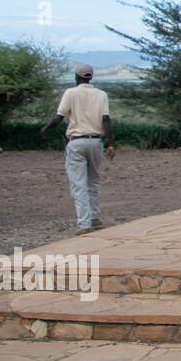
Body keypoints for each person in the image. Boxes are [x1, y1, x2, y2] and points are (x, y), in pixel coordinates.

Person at [40, 64, 116, 234]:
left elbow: (59, 117)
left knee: (78, 184)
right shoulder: (101, 94)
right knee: (93, 180)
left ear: (77, 77)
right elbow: (106, 120)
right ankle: (95, 217)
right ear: (90, 77)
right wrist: (110, 143)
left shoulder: (71, 93)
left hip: (76, 142)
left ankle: (84, 224)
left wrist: (45, 128)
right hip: (96, 142)